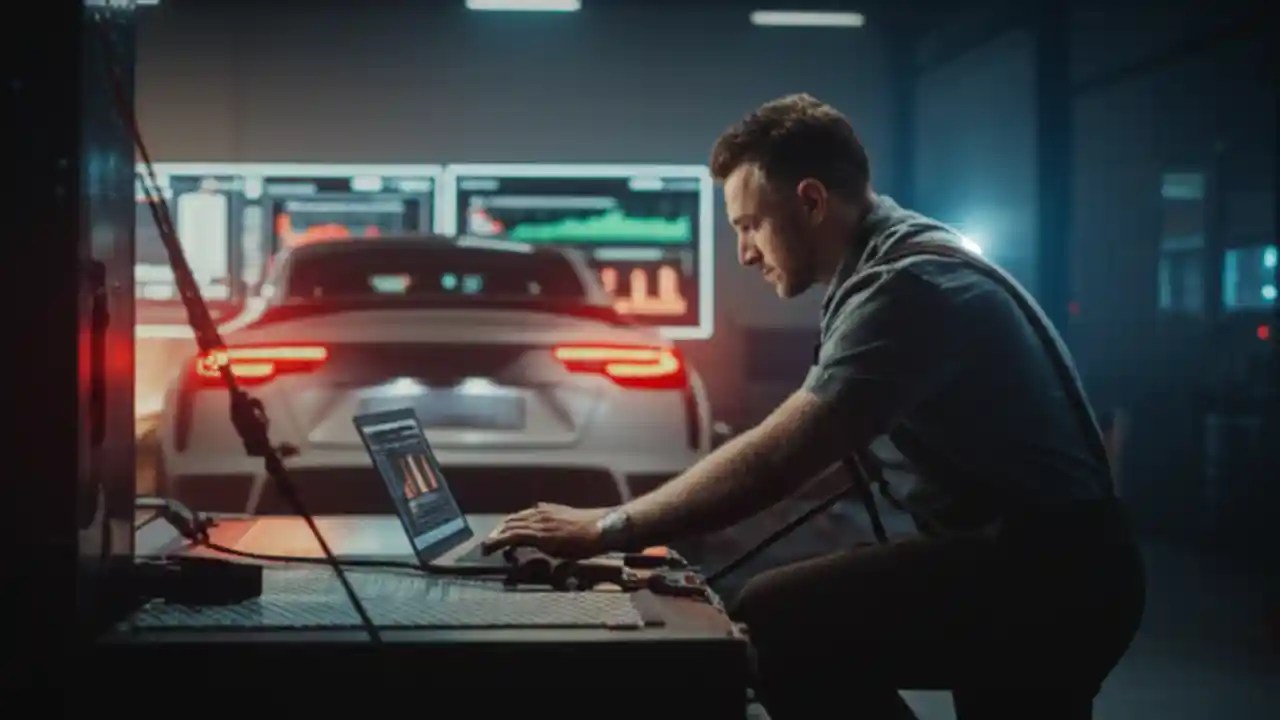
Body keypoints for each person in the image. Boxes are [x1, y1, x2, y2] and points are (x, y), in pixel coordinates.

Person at [482, 93, 1145, 718]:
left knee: (779, 617)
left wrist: (609, 528)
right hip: (1045, 562)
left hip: (1051, 575)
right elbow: (829, 450)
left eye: (750, 225)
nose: (744, 253)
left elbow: (782, 456)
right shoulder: (892, 263)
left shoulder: (908, 288)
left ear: (810, 200)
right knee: (790, 612)